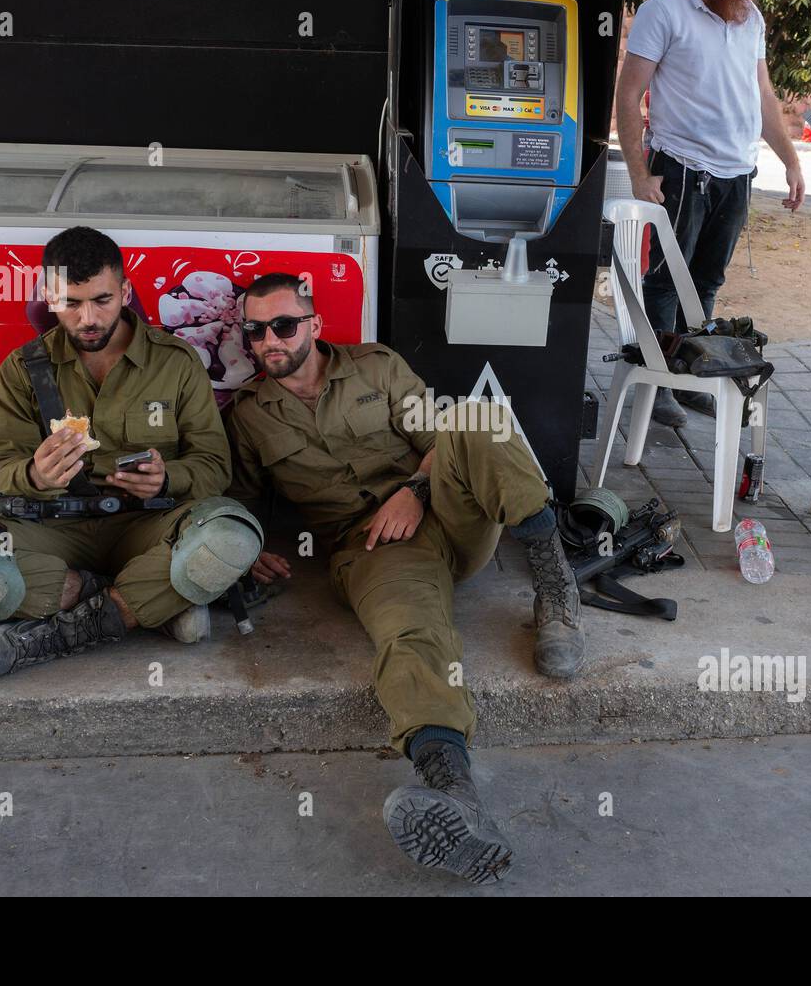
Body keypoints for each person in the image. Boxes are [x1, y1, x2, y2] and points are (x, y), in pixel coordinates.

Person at [224, 273, 586, 884]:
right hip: (370, 548)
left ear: (313, 325)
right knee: (409, 635)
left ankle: (556, 590)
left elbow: (441, 441)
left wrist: (414, 491)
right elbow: (244, 499)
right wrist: (245, 545)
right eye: (255, 331)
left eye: (283, 325)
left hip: (446, 506)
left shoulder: (377, 368)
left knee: (478, 420)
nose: (268, 341)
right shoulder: (251, 416)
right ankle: (458, 797)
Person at [0, 226, 263, 680]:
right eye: (70, 303)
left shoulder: (175, 361)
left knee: (232, 536)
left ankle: (49, 636)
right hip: (51, 525)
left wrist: (167, 478)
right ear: (49, 297)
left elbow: (215, 466)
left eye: (101, 300)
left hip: (149, 523)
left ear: (125, 292)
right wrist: (35, 476)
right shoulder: (23, 368)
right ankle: (144, 600)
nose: (87, 319)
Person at [617, 0, 805, 427]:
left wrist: (790, 160)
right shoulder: (663, 11)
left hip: (737, 175)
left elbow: (762, 93)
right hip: (680, 170)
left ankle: (691, 375)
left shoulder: (749, 15)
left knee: (706, 281)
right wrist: (639, 172)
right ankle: (657, 383)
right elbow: (629, 94)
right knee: (663, 280)